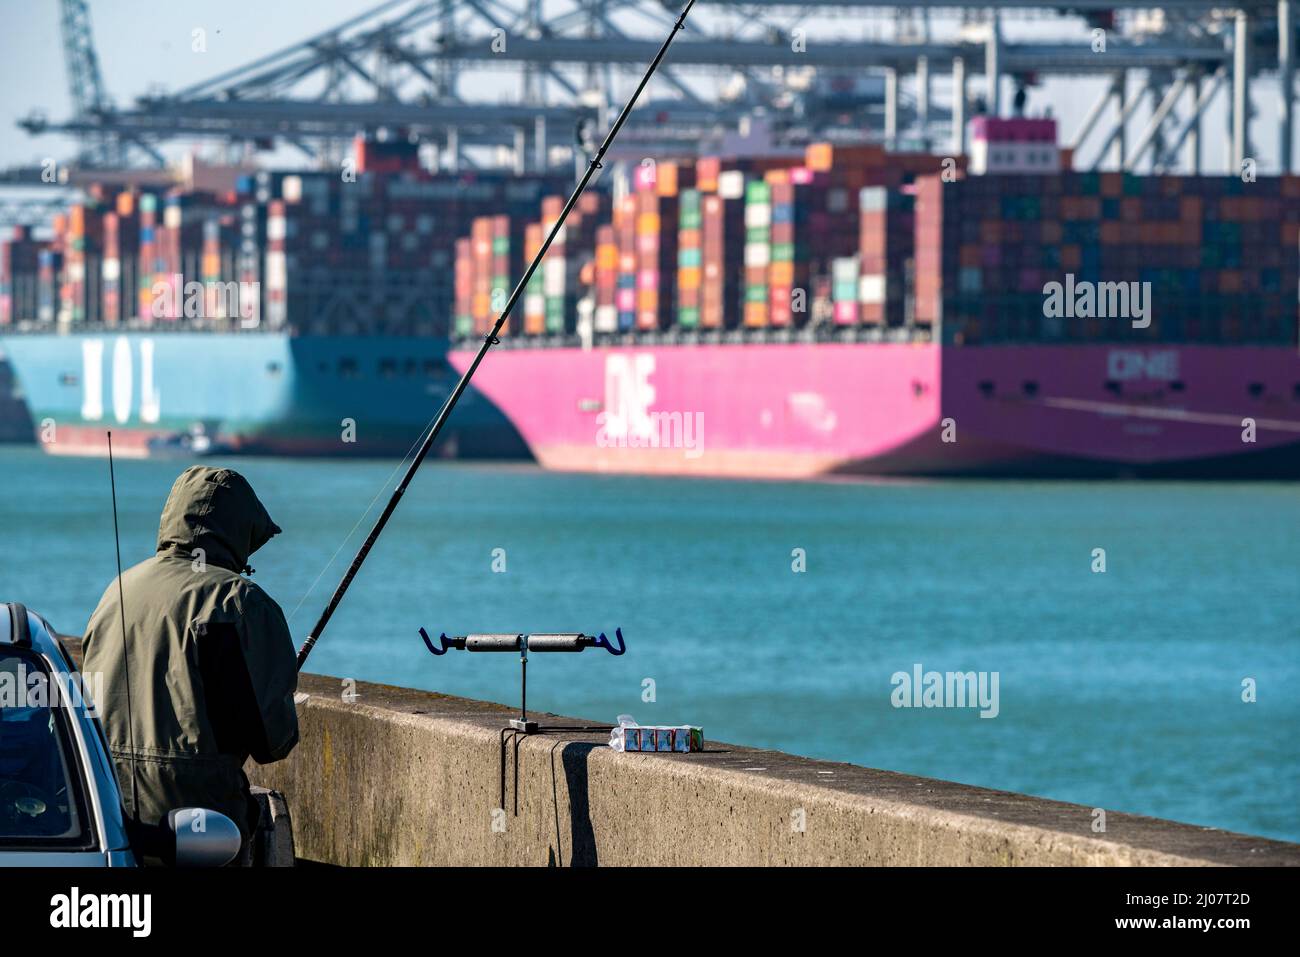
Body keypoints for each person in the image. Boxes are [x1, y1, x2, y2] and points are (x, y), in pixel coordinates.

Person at [83, 466, 298, 855]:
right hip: (202, 822)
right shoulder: (240, 601)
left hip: (108, 813)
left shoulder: (116, 592)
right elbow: (273, 742)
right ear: (237, 533)